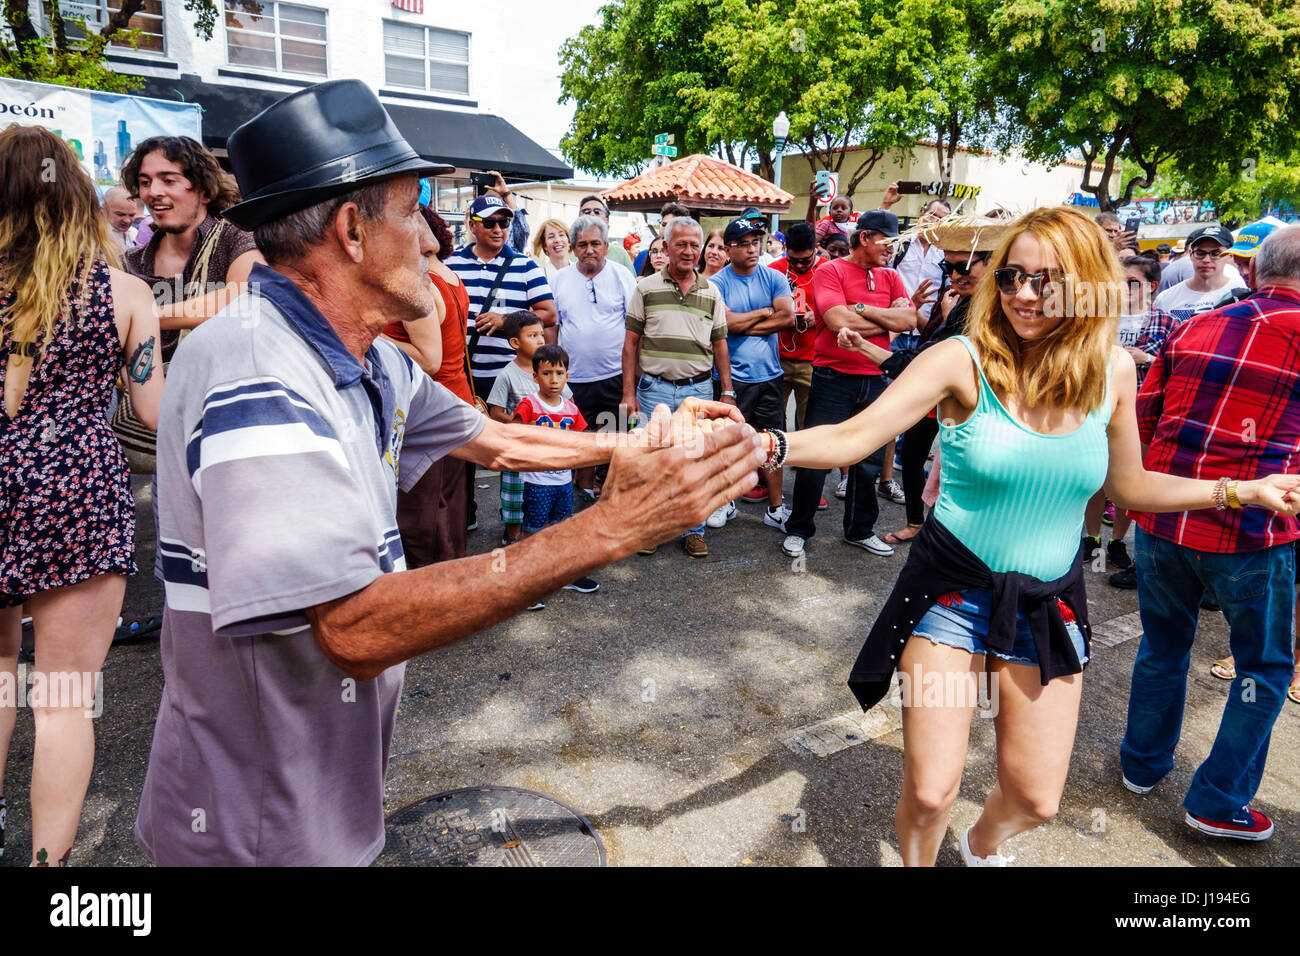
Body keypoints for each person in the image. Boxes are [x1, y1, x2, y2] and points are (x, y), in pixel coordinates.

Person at [133, 80, 755, 866]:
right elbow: (353, 628)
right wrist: (614, 527)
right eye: (413, 215)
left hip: (318, 796)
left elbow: (495, 440)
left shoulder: (367, 357)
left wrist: (628, 448)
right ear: (354, 230)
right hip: (252, 824)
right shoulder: (260, 371)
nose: (437, 240)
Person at [762, 205, 1300, 866]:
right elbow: (851, 436)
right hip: (949, 598)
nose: (1021, 293)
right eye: (1011, 276)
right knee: (931, 791)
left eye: (1043, 280)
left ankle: (981, 846)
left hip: (1048, 602)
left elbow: (1130, 487)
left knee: (1037, 799)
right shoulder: (960, 359)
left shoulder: (1112, 373)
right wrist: (769, 442)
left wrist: (1239, 490)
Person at [0, 124, 163, 865]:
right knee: (65, 696)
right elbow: (154, 412)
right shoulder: (125, 292)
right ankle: (47, 870)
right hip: (79, 490)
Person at [1121, 224, 1300, 842]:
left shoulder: (1193, 326)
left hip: (1166, 519)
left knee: (1163, 646)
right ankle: (1219, 801)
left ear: (1252, 272)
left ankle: (1141, 766)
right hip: (1256, 532)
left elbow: (1142, 421)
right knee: (1266, 666)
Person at [837, 217, 1012, 545]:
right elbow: (927, 350)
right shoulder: (960, 302)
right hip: (942, 398)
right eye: (948, 267)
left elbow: (920, 361)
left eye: (962, 267)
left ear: (993, 263)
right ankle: (919, 525)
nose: (954, 275)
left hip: (986, 417)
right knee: (917, 456)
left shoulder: (1001, 308)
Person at [781, 211, 917, 560]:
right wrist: (884, 316)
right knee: (818, 455)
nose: (892, 249)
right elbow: (835, 319)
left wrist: (860, 311)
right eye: (888, 241)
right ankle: (799, 528)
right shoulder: (832, 270)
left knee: (868, 460)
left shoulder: (891, 276)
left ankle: (859, 530)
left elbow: (908, 320)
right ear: (867, 237)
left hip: (876, 377)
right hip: (832, 376)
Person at [622, 216, 738, 559]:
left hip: (698, 391)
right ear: (667, 247)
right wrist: (628, 393)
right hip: (653, 389)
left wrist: (727, 391)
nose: (688, 251)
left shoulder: (712, 291)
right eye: (681, 244)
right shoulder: (645, 288)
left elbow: (720, 346)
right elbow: (630, 344)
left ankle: (694, 530)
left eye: (693, 244)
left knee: (694, 462)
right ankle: (652, 528)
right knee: (654, 463)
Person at [446, 192, 556, 530]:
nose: (499, 229)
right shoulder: (452, 265)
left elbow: (548, 314)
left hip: (510, 376)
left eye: (504, 222)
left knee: (515, 445)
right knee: (461, 447)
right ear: (472, 225)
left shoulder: (525, 265)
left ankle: (517, 521)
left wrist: (506, 321)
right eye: (490, 222)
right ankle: (465, 513)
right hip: (463, 374)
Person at [383, 205, 476, 567]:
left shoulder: (422, 281)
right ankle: (450, 593)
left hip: (432, 411)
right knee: (447, 515)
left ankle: (433, 600)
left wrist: (370, 333)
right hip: (453, 404)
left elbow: (429, 358)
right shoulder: (447, 274)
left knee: (423, 522)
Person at [705, 217, 794, 531]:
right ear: (729, 249)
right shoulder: (717, 283)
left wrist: (747, 321)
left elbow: (787, 318)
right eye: (743, 243)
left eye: (755, 241)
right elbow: (728, 325)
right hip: (733, 378)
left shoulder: (774, 277)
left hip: (769, 375)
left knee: (772, 443)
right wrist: (764, 311)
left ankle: (775, 508)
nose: (752, 248)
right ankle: (725, 502)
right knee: (728, 444)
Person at [1098, 255, 1178, 589]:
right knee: (1097, 476)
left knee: (1130, 481)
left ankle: (1118, 543)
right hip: (1100, 405)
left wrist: (1146, 358)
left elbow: (1174, 364)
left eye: (1132, 282)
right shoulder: (1103, 316)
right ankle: (1089, 540)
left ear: (1152, 287)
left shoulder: (1167, 320)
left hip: (1143, 414)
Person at [552, 215, 637, 501]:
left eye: (596, 243)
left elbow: (634, 329)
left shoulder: (621, 275)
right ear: (574, 248)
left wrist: (631, 380)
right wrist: (553, 372)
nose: (589, 249)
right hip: (574, 378)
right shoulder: (560, 279)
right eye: (583, 244)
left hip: (615, 375)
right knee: (582, 439)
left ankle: (614, 495)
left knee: (616, 438)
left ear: (605, 245)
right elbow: (553, 326)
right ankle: (584, 491)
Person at [513, 343, 600, 601]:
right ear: (535, 377)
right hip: (536, 481)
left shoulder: (570, 409)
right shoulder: (529, 405)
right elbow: (515, 436)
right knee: (533, 531)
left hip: (562, 482)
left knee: (562, 529)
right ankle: (529, 585)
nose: (554, 379)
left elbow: (583, 440)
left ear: (567, 376)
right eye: (547, 373)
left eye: (559, 373)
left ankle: (564, 576)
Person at [488, 312, 566, 544]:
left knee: (539, 493)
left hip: (545, 449)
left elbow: (567, 402)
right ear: (515, 343)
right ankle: (512, 538)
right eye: (533, 335)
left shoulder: (549, 371)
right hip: (518, 449)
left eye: (542, 334)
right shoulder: (507, 375)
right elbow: (496, 413)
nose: (541, 340)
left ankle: (538, 536)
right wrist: (524, 425)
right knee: (515, 496)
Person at [768, 222, 822, 431]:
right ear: (785, 251)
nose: (799, 266)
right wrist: (781, 313)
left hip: (812, 359)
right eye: (793, 260)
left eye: (805, 261)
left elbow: (841, 309)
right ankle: (775, 461)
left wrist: (817, 318)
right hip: (777, 358)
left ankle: (804, 462)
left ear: (815, 250)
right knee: (772, 419)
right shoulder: (773, 271)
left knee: (808, 421)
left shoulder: (828, 269)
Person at [1151, 225, 1242, 323]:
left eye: (1215, 253)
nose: (1206, 260)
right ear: (1190, 254)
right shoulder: (1165, 299)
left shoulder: (1241, 295)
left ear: (1229, 255)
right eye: (1200, 253)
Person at [576, 195, 636, 274]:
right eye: (586, 212)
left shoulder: (621, 255)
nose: (592, 214)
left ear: (606, 221)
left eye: (597, 211)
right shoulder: (567, 253)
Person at [530, 217, 572, 285]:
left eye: (561, 235)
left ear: (569, 241)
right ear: (545, 246)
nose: (557, 240)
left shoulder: (582, 272)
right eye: (551, 237)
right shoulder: (538, 277)